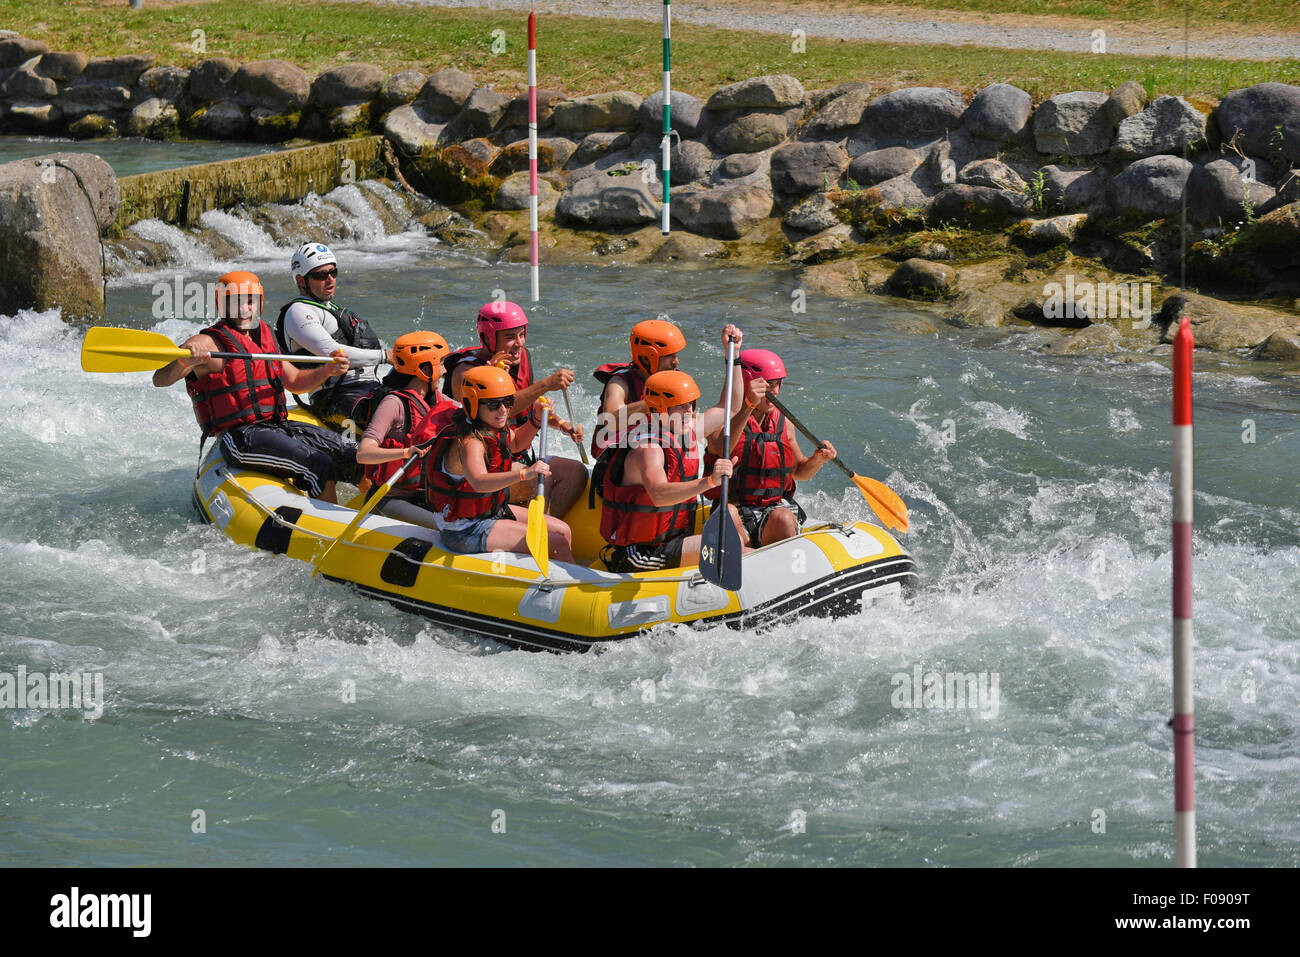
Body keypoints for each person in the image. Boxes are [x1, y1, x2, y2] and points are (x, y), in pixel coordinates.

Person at [152, 270, 354, 504]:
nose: (244, 308)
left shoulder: (265, 336)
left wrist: (327, 370)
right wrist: (184, 360)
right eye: (235, 302)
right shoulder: (207, 343)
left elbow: (295, 382)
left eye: (250, 301)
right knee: (319, 463)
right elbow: (160, 379)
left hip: (277, 426)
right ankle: (330, 528)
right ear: (222, 304)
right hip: (240, 437)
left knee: (352, 452)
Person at [595, 335, 750, 573]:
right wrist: (709, 481)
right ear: (660, 409)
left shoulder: (686, 429)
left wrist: (734, 356)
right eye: (681, 406)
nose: (690, 411)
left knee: (738, 531)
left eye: (692, 404)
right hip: (642, 552)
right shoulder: (648, 447)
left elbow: (731, 406)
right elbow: (658, 494)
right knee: (731, 544)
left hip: (672, 540)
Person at [444, 300, 587, 519]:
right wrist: (547, 384)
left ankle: (550, 529)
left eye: (522, 334)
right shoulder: (466, 373)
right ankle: (540, 535)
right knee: (542, 479)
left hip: (517, 452)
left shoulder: (522, 358)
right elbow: (501, 412)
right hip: (482, 463)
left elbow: (529, 405)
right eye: (510, 337)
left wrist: (562, 425)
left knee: (577, 472)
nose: (519, 343)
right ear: (489, 338)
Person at [424, 366, 574, 561]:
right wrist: (524, 473)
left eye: (508, 401)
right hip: (465, 529)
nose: (503, 410)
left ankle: (558, 574)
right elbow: (479, 482)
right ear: (473, 403)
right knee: (556, 542)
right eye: (494, 404)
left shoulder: (491, 427)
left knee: (563, 531)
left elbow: (518, 442)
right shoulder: (469, 442)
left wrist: (536, 418)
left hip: (492, 512)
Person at [708, 349, 836, 548]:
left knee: (784, 518)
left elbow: (799, 471)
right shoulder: (722, 416)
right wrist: (748, 405)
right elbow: (720, 447)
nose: (775, 391)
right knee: (728, 513)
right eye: (768, 385)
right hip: (736, 510)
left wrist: (817, 460)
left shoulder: (784, 423)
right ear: (748, 384)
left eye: (778, 383)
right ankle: (741, 556)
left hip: (773, 510)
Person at [275, 241, 391, 428]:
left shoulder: (331, 309)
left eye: (333, 272)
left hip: (368, 388)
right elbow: (332, 352)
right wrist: (386, 357)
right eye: (321, 275)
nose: (330, 279)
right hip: (336, 398)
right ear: (300, 280)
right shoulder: (298, 311)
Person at [354, 331, 459, 529]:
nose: (445, 371)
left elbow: (472, 414)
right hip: (390, 500)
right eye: (442, 363)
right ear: (425, 368)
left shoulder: (437, 399)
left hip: (424, 496)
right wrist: (405, 452)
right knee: (447, 527)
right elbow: (363, 454)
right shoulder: (393, 403)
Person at [590, 317, 686, 458]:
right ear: (647, 357)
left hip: (658, 455)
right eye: (669, 356)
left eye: (676, 355)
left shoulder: (675, 379)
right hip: (623, 463)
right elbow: (610, 420)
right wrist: (654, 402)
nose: (676, 361)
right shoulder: (619, 383)